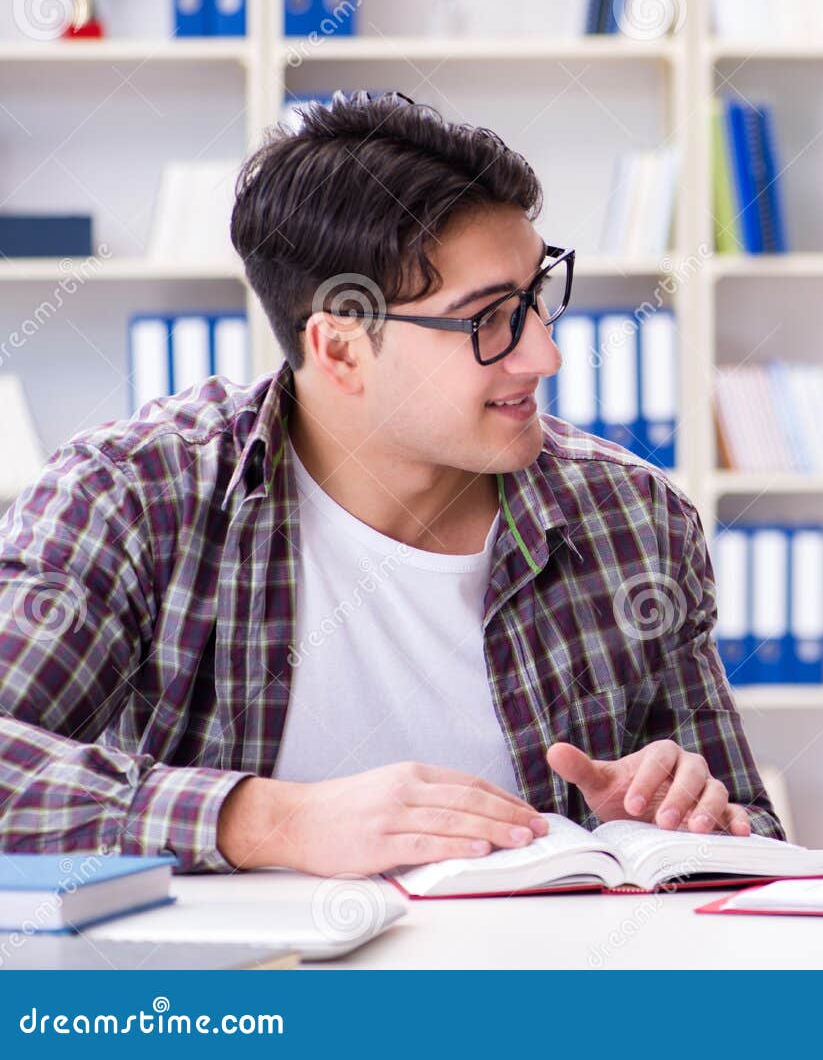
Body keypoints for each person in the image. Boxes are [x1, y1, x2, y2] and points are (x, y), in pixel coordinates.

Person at [0, 92, 777, 875]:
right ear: (338, 349)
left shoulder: (633, 518)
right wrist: (271, 820)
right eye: (488, 319)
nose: (544, 354)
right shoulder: (134, 498)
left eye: (536, 297)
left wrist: (683, 819)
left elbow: (753, 836)